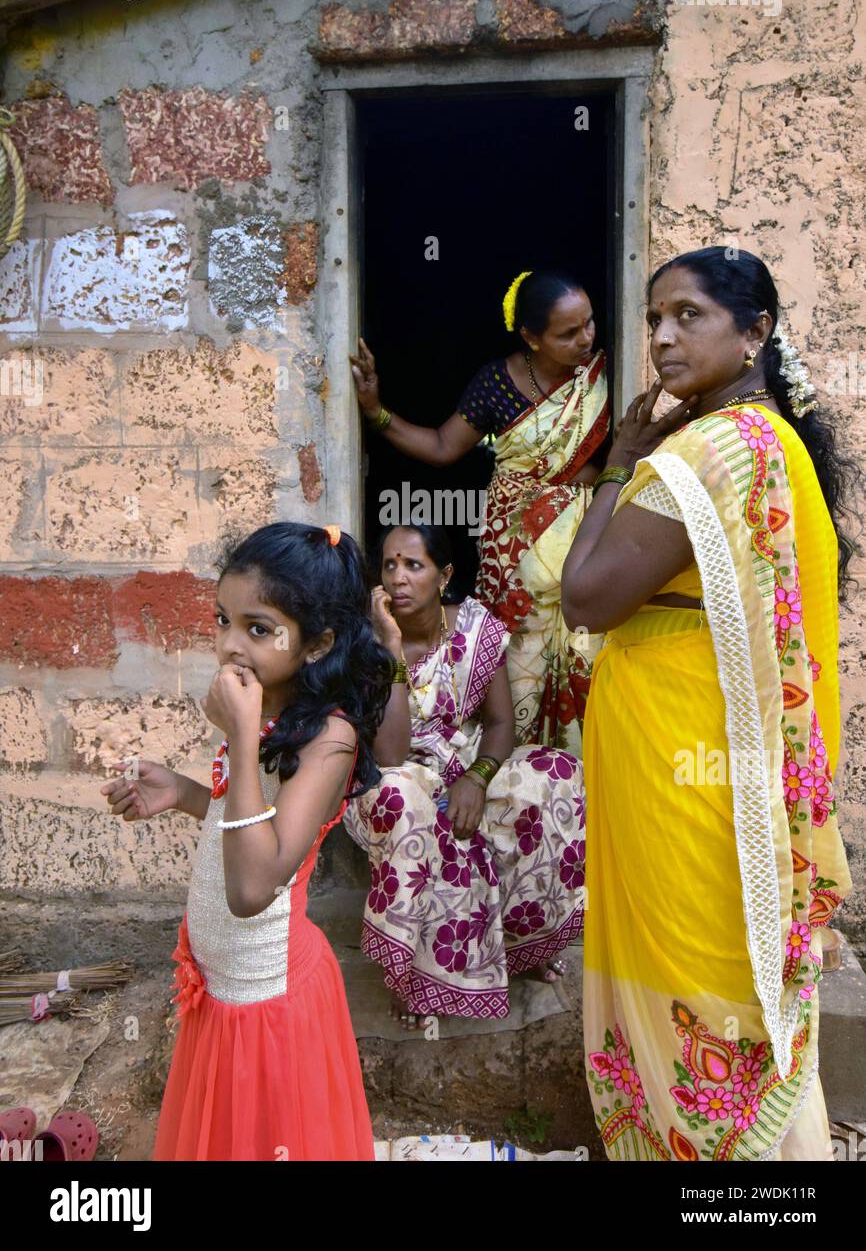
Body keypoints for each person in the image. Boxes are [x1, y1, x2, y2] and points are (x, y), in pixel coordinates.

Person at [561, 247, 855, 1161]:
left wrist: (618, 464)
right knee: (738, 977)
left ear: (755, 332)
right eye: (654, 318)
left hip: (683, 770)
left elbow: (586, 597)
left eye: (689, 315)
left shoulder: (710, 452)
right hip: (712, 765)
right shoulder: (771, 442)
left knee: (693, 978)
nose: (661, 337)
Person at [102, 522, 392, 1161]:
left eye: (259, 629)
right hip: (221, 989)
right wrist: (184, 793)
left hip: (268, 1002)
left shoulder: (330, 739)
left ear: (317, 644)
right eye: (222, 620)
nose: (230, 645)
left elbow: (255, 885)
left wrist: (239, 737)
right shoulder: (262, 708)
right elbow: (249, 817)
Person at [350, 270, 610, 754]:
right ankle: (506, 765)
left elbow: (610, 458)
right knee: (520, 656)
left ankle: (576, 774)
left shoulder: (599, 377)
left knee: (585, 650)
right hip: (515, 548)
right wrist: (375, 412)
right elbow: (443, 445)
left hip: (581, 540)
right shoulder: (497, 383)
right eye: (568, 333)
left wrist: (591, 478)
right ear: (531, 337)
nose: (586, 338)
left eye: (590, 323)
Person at [343, 523, 586, 1026]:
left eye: (414, 565)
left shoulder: (475, 627)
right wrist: (391, 648)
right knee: (406, 804)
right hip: (391, 781)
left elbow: (499, 725)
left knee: (556, 773)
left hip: (464, 763)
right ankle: (413, 976)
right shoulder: (366, 643)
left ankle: (520, 945)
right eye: (389, 565)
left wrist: (476, 779)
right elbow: (390, 754)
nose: (398, 578)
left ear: (444, 575)